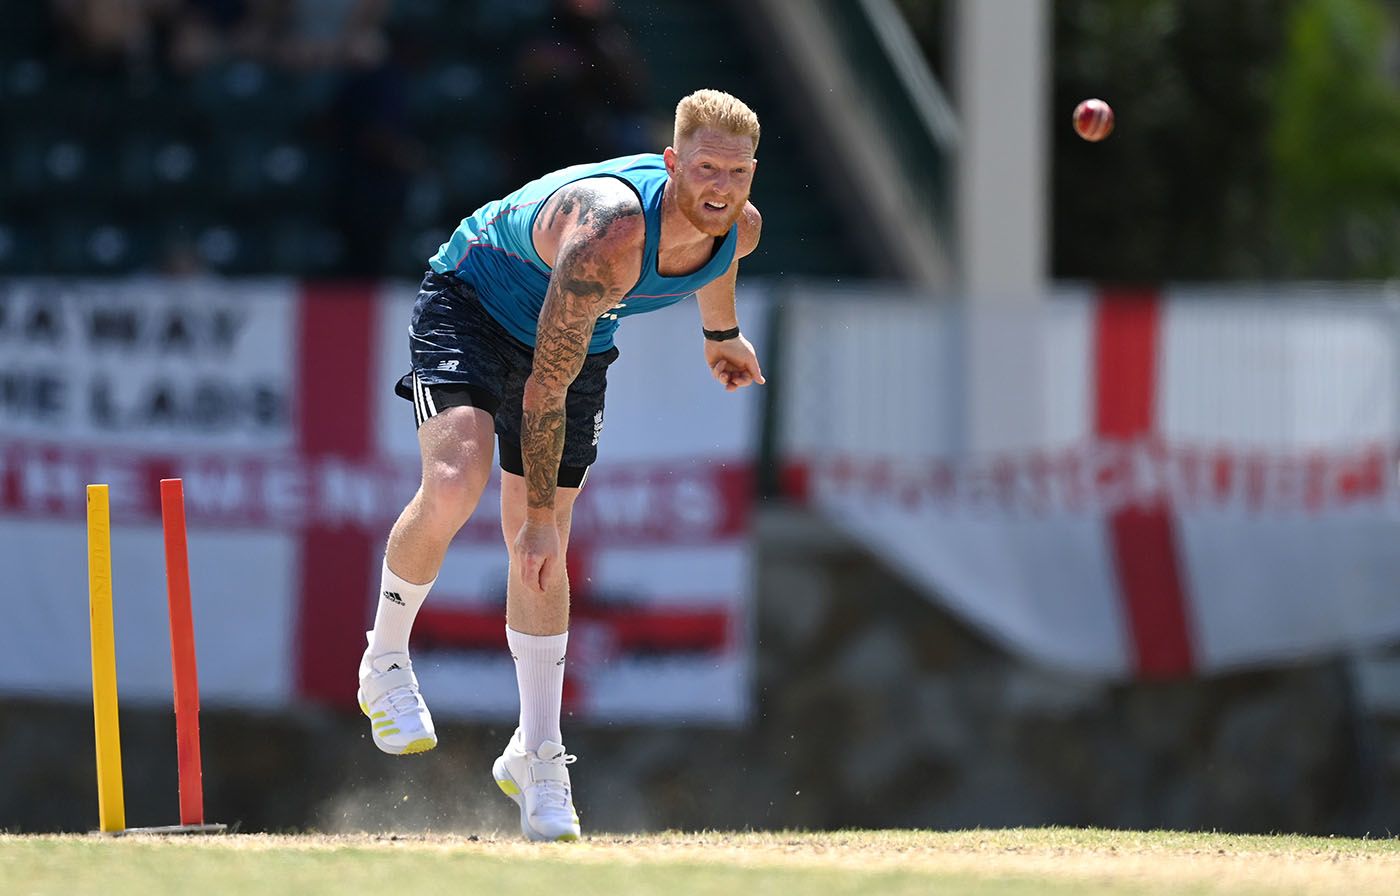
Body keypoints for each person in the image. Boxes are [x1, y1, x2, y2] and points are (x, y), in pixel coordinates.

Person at [355, 89, 765, 842]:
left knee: (543, 549)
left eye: (737, 173)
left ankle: (538, 757)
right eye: (705, 168)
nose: (720, 188)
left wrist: (722, 335)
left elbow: (718, 260)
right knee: (457, 482)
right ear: (672, 162)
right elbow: (544, 382)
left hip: (579, 339)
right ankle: (383, 660)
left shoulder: (737, 226)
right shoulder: (610, 233)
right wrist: (536, 519)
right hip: (474, 303)